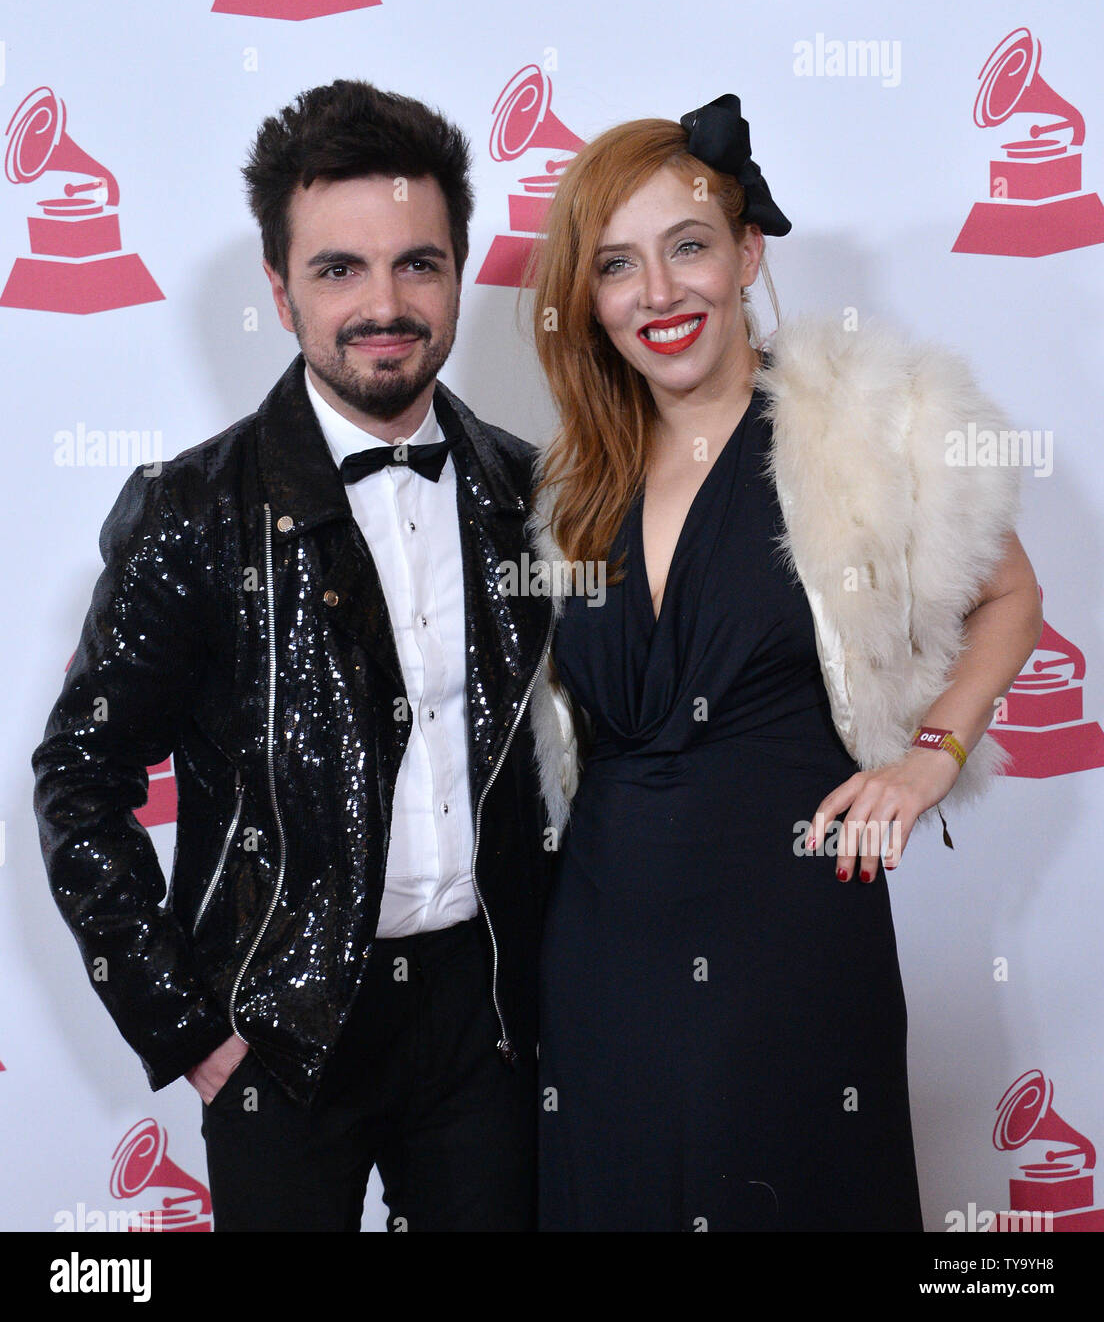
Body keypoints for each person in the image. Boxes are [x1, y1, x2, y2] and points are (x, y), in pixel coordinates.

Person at [31, 79, 554, 1231]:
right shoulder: (190, 512)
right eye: (338, 269)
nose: (384, 303)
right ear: (280, 289)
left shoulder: (532, 496)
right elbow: (80, 780)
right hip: (281, 1017)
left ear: (462, 269)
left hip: (487, 1019)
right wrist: (190, 1028)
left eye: (417, 262)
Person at [525, 94, 1044, 1231]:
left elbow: (1013, 596)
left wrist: (930, 757)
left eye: (690, 246)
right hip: (602, 954)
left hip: (792, 940)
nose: (658, 294)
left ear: (749, 251)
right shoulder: (573, 491)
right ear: (589, 301)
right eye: (617, 267)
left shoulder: (869, 427)